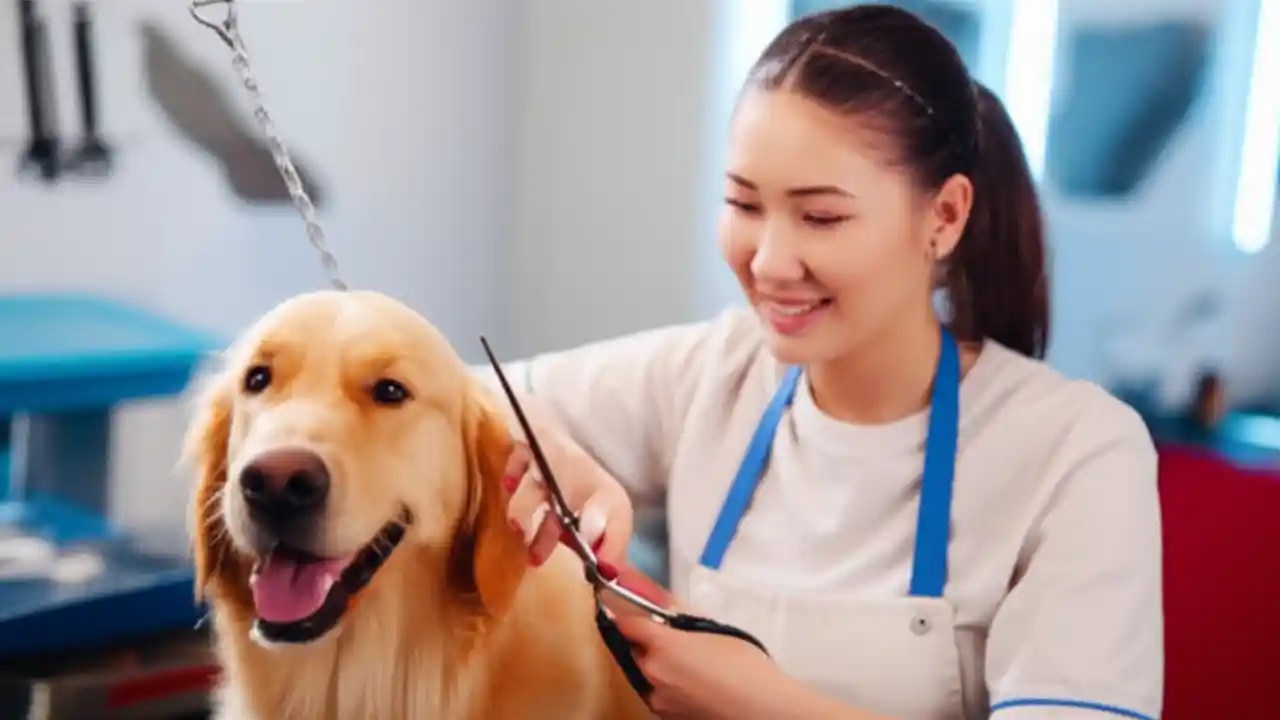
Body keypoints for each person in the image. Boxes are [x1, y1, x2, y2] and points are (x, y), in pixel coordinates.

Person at [478, 5, 1163, 719]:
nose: (769, 262)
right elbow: (438, 397)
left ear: (945, 216)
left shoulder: (1079, 452)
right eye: (743, 203)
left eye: (822, 217)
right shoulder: (713, 373)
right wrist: (548, 448)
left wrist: (756, 699)